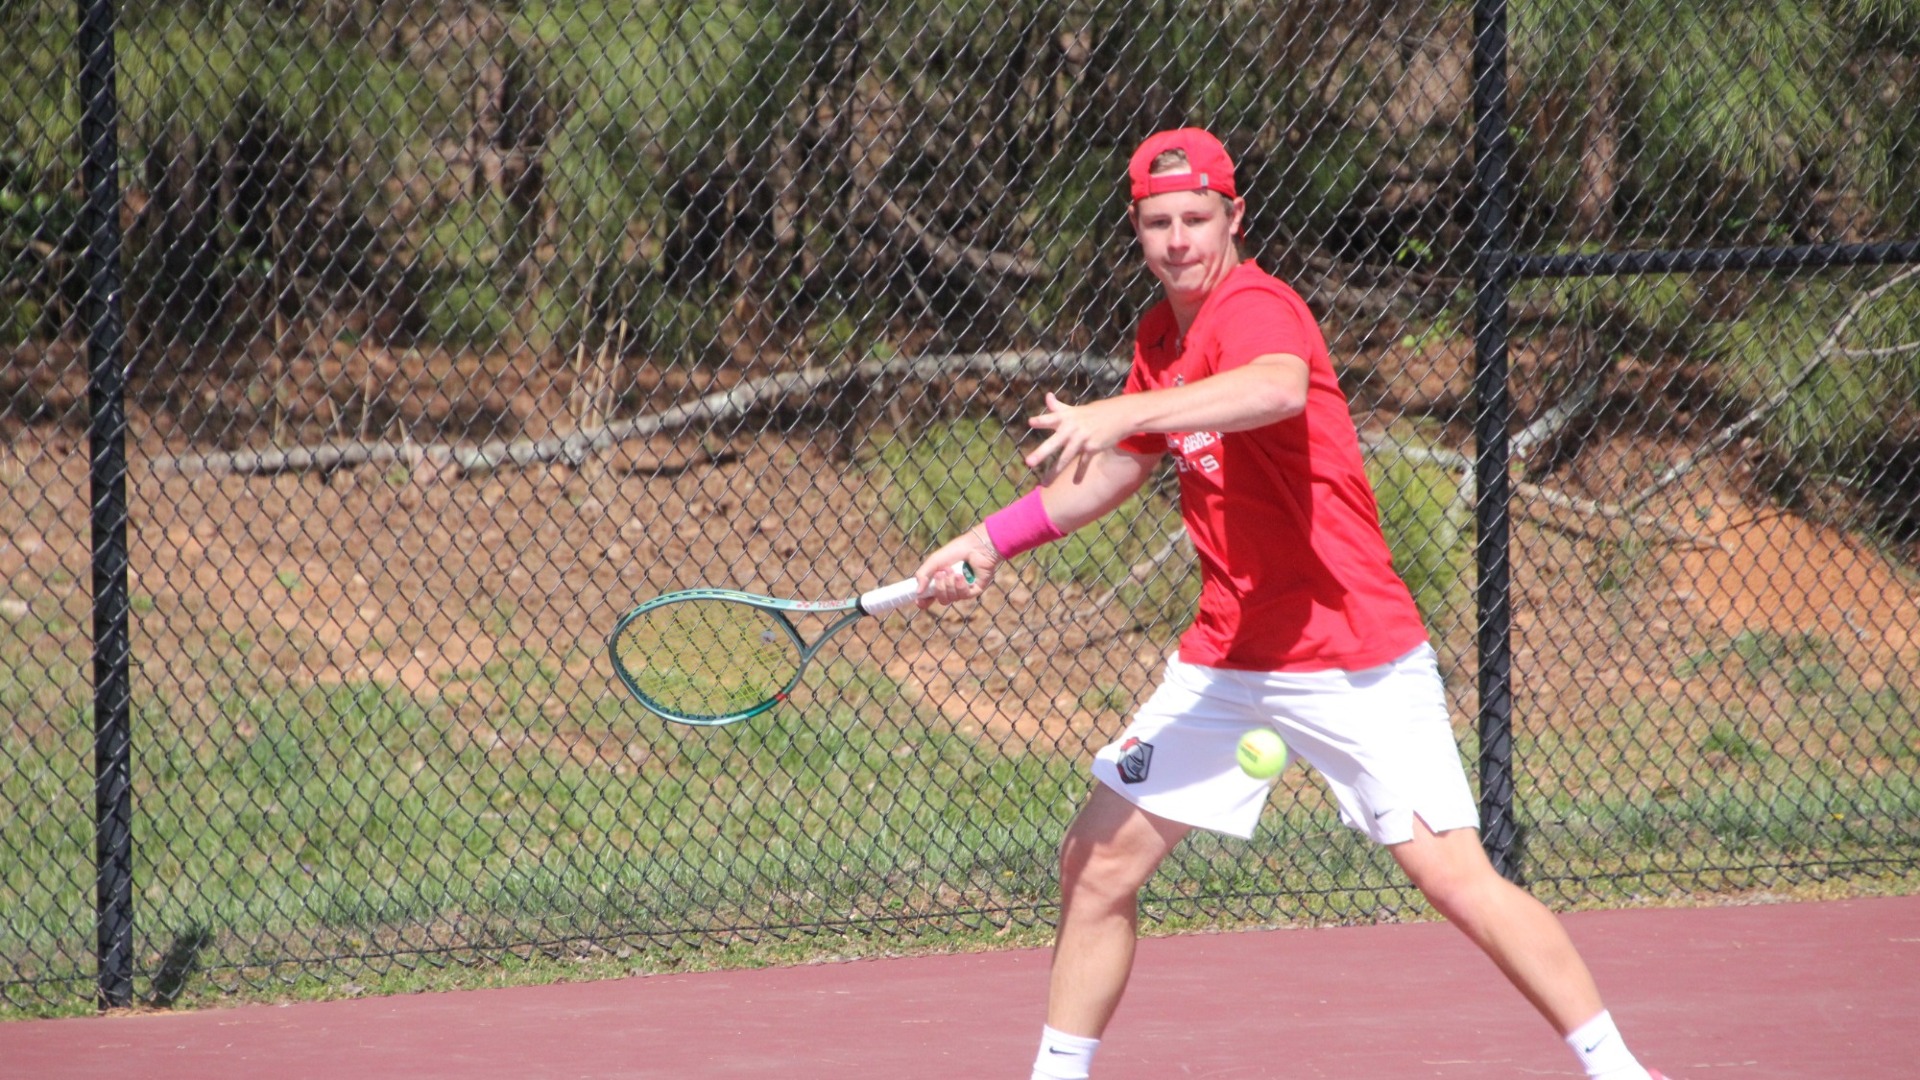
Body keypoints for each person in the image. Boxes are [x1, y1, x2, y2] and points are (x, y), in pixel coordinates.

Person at [912, 127, 1669, 1080]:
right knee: (1095, 865)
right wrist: (991, 540)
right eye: (1158, 223)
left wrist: (1126, 410)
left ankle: (1620, 1070)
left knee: (1457, 882)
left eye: (1196, 219)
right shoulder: (1160, 336)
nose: (1178, 239)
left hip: (1355, 656)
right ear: (1138, 229)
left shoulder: (1260, 307)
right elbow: (1109, 474)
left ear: (1235, 218)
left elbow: (1272, 389)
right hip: (1226, 664)